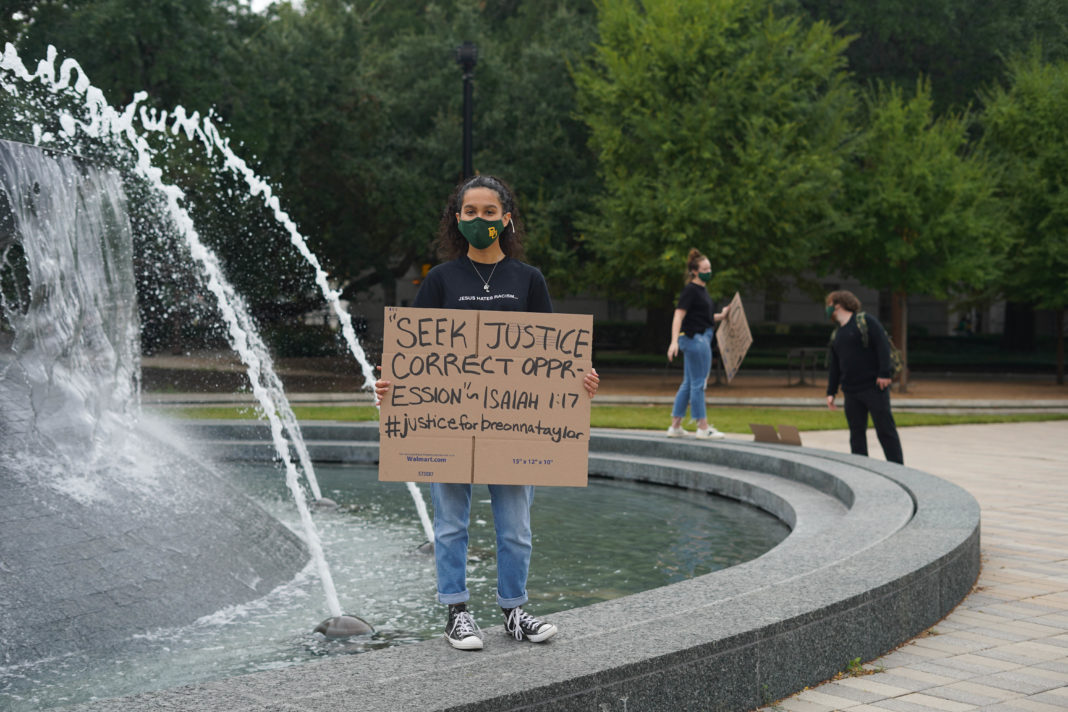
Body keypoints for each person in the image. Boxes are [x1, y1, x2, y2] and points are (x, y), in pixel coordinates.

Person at [374, 175, 599, 652]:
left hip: (514, 429)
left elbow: (553, 358)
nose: (481, 220)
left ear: (507, 217)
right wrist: (393, 388)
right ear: (457, 220)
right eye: (471, 212)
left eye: (489, 212)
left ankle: (514, 612)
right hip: (448, 429)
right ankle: (457, 613)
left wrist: (580, 382)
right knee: (451, 524)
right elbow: (414, 355)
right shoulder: (439, 279)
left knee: (516, 528)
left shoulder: (529, 280)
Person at [824, 290, 904, 464]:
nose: (828, 309)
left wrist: (884, 373)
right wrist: (831, 391)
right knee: (856, 433)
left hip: (874, 388)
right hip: (851, 391)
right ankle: (861, 467)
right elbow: (835, 366)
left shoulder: (865, 321)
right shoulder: (837, 334)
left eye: (829, 305)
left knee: (885, 430)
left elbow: (882, 345)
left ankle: (898, 467)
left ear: (838, 305)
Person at [666, 248, 730, 439]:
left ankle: (675, 426)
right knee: (698, 383)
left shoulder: (701, 291)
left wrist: (723, 316)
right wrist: (673, 341)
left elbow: (705, 317)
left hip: (698, 338)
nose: (709, 271)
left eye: (709, 267)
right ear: (694, 271)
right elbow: (678, 315)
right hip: (696, 340)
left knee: (688, 383)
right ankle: (703, 427)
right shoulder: (691, 290)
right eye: (705, 268)